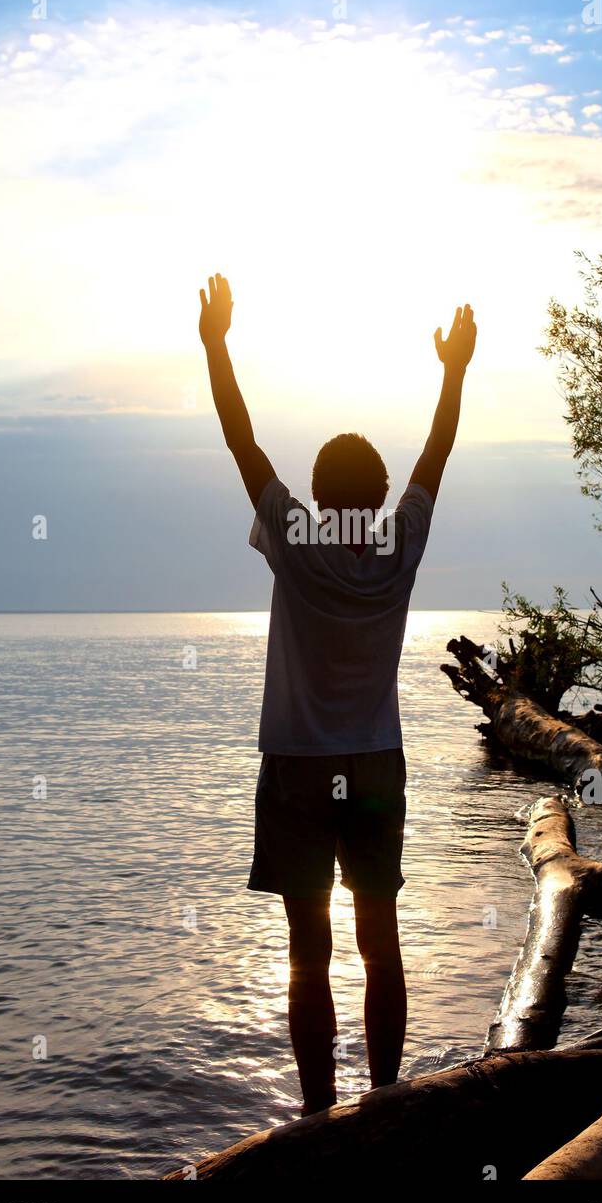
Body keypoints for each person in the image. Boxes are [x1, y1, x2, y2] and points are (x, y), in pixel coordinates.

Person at [199, 272, 476, 1115]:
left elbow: (241, 444)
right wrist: (454, 371)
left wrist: (216, 344)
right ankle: (385, 1105)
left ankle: (318, 1117)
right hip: (376, 765)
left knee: (307, 949)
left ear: (318, 498)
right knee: (380, 940)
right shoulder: (401, 543)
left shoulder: (297, 540)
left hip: (296, 767)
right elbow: (439, 453)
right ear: (382, 496)